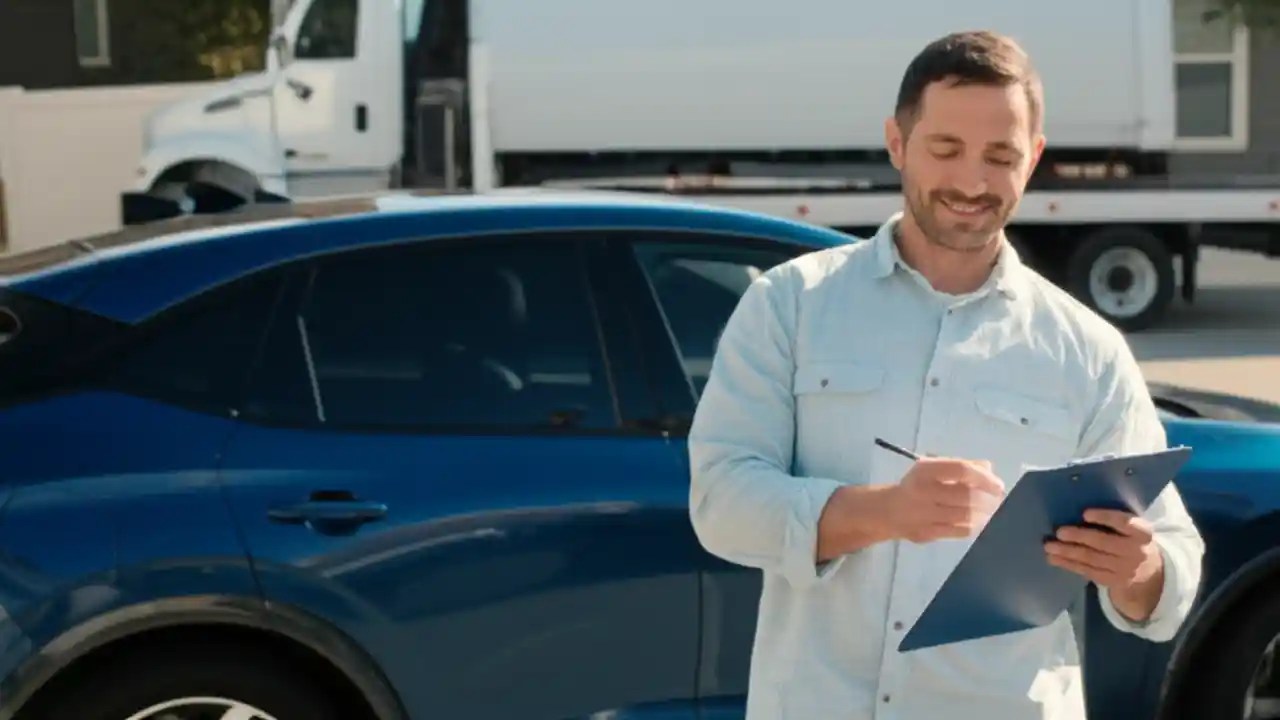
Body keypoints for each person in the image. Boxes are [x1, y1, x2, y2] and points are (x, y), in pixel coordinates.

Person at [686, 29, 1205, 720]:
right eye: (946, 149)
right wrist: (881, 513)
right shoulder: (790, 305)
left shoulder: (1088, 348)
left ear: (1034, 160)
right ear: (897, 143)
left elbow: (1172, 568)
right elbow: (720, 505)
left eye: (1001, 156)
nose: (971, 181)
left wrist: (1139, 572)